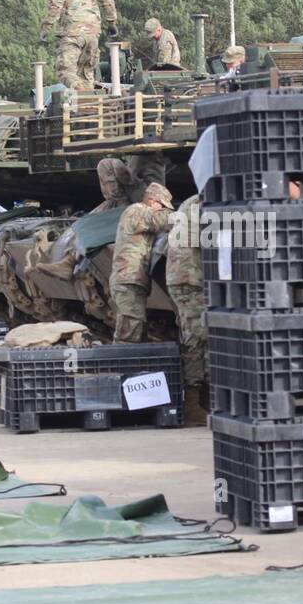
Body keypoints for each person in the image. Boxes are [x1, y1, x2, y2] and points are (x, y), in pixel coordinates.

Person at [40, 0, 118, 92]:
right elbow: (108, 2)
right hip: (93, 34)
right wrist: (111, 23)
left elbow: (55, 8)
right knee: (86, 74)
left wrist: (46, 28)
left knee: (65, 71)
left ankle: (82, 93)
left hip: (73, 33)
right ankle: (90, 107)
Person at [109, 182, 173, 343]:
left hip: (131, 279)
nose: (163, 209)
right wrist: (187, 214)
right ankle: (122, 365)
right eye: (163, 206)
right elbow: (161, 220)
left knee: (136, 329)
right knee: (129, 332)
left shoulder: (138, 212)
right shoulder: (137, 211)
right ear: (153, 201)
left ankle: (129, 365)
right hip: (127, 278)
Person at [166, 193, 207, 425]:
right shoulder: (203, 202)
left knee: (197, 335)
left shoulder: (191, 201)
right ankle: (192, 404)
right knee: (196, 338)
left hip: (186, 276)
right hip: (189, 278)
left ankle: (203, 399)